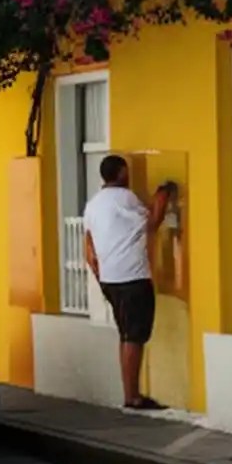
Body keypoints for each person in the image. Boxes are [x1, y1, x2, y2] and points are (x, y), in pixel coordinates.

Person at [83, 155, 173, 411]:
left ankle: (130, 393)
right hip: (132, 278)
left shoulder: (93, 204)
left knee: (126, 335)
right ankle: (132, 396)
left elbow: (88, 248)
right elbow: (152, 222)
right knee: (134, 337)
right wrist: (163, 196)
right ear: (122, 172)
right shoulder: (125, 198)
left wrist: (101, 276)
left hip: (111, 280)